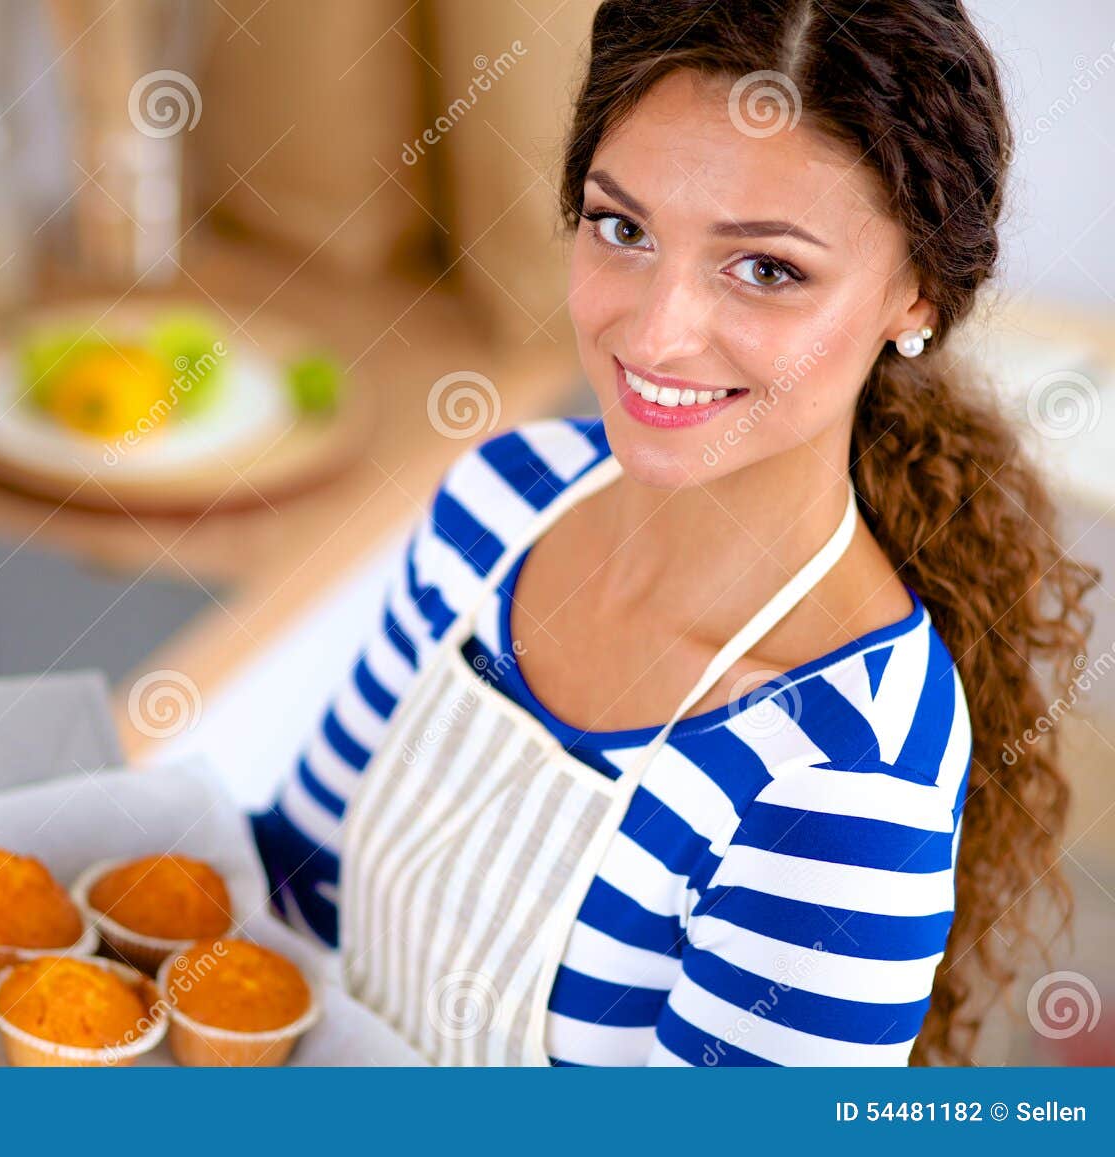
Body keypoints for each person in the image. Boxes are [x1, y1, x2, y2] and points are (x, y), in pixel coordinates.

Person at [252, 0, 1098, 1066]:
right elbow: (289, 885)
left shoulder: (844, 777)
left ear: (914, 294)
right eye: (623, 228)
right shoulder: (498, 501)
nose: (654, 332)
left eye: (766, 269)